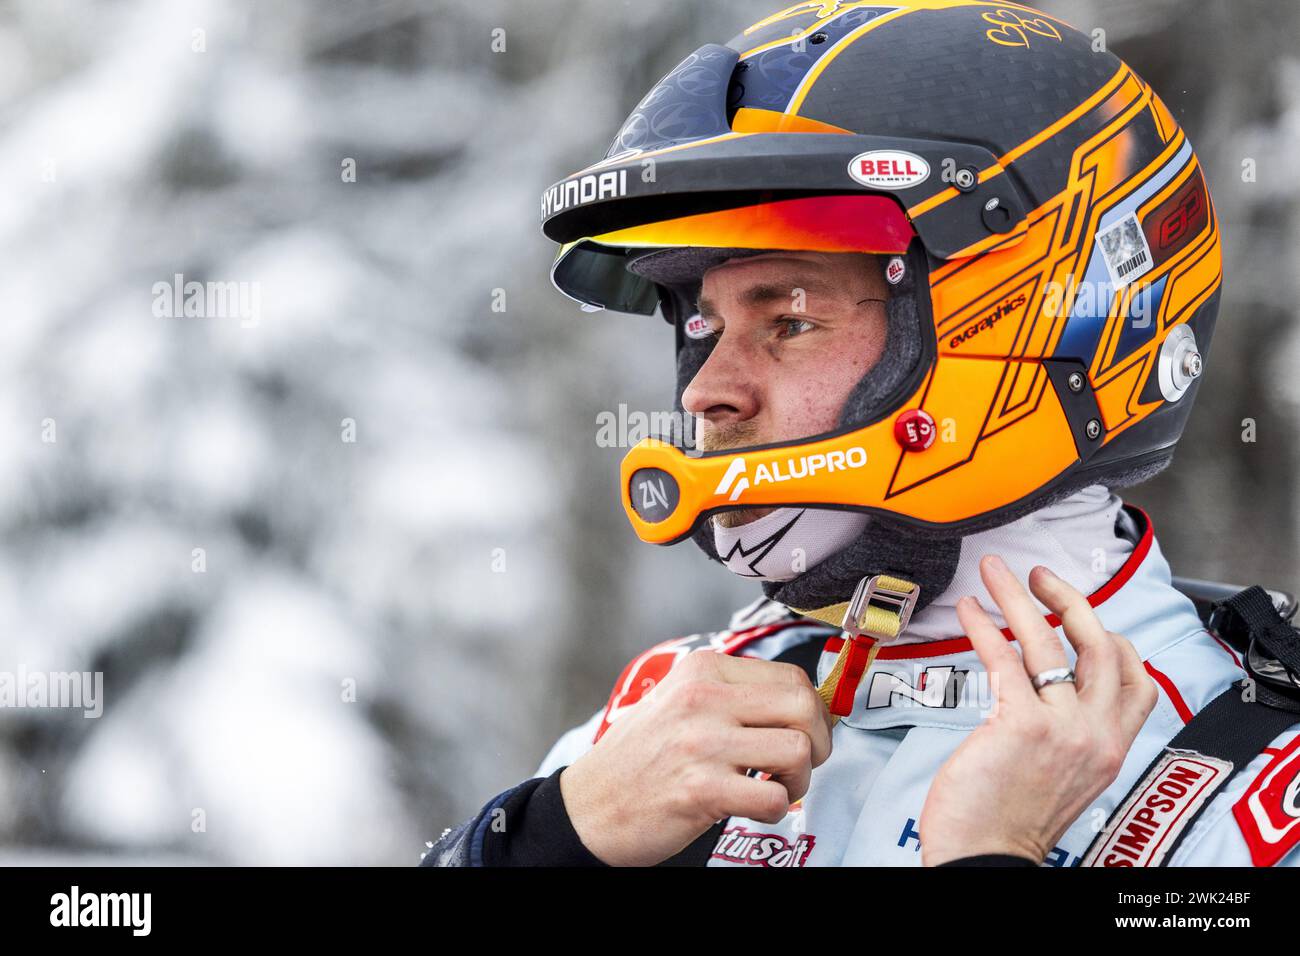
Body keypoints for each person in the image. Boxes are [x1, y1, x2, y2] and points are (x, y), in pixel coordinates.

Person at [425, 0, 1300, 867]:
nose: (709, 395)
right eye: (702, 326)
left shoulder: (1260, 783)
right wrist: (551, 837)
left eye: (790, 322)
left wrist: (993, 856)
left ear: (1033, 322)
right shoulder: (665, 720)